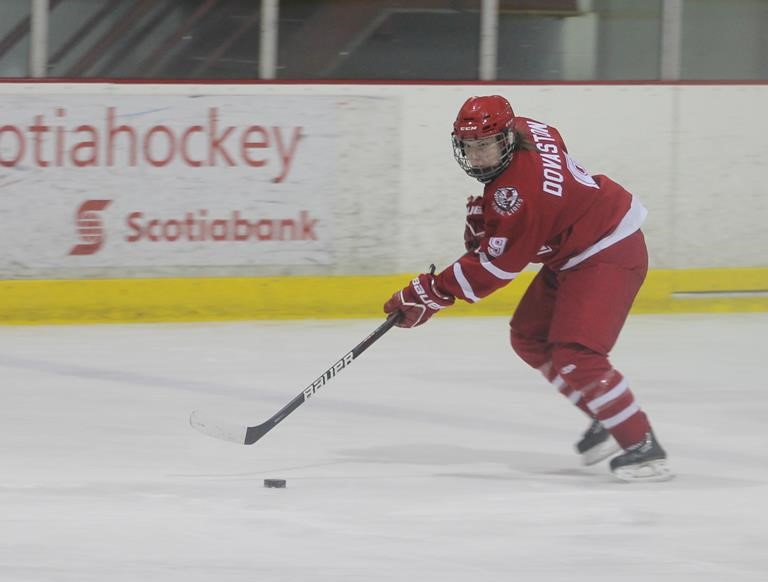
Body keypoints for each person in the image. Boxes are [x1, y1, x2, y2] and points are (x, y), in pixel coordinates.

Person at [383, 95, 672, 482]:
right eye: (469, 147)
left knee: (575, 354)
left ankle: (643, 448)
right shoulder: (529, 129)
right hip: (576, 248)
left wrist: (432, 292)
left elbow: (498, 266)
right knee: (529, 336)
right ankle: (605, 415)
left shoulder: (517, 195)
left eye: (484, 145)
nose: (477, 156)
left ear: (505, 139)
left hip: (607, 251)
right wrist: (498, 226)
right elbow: (538, 209)